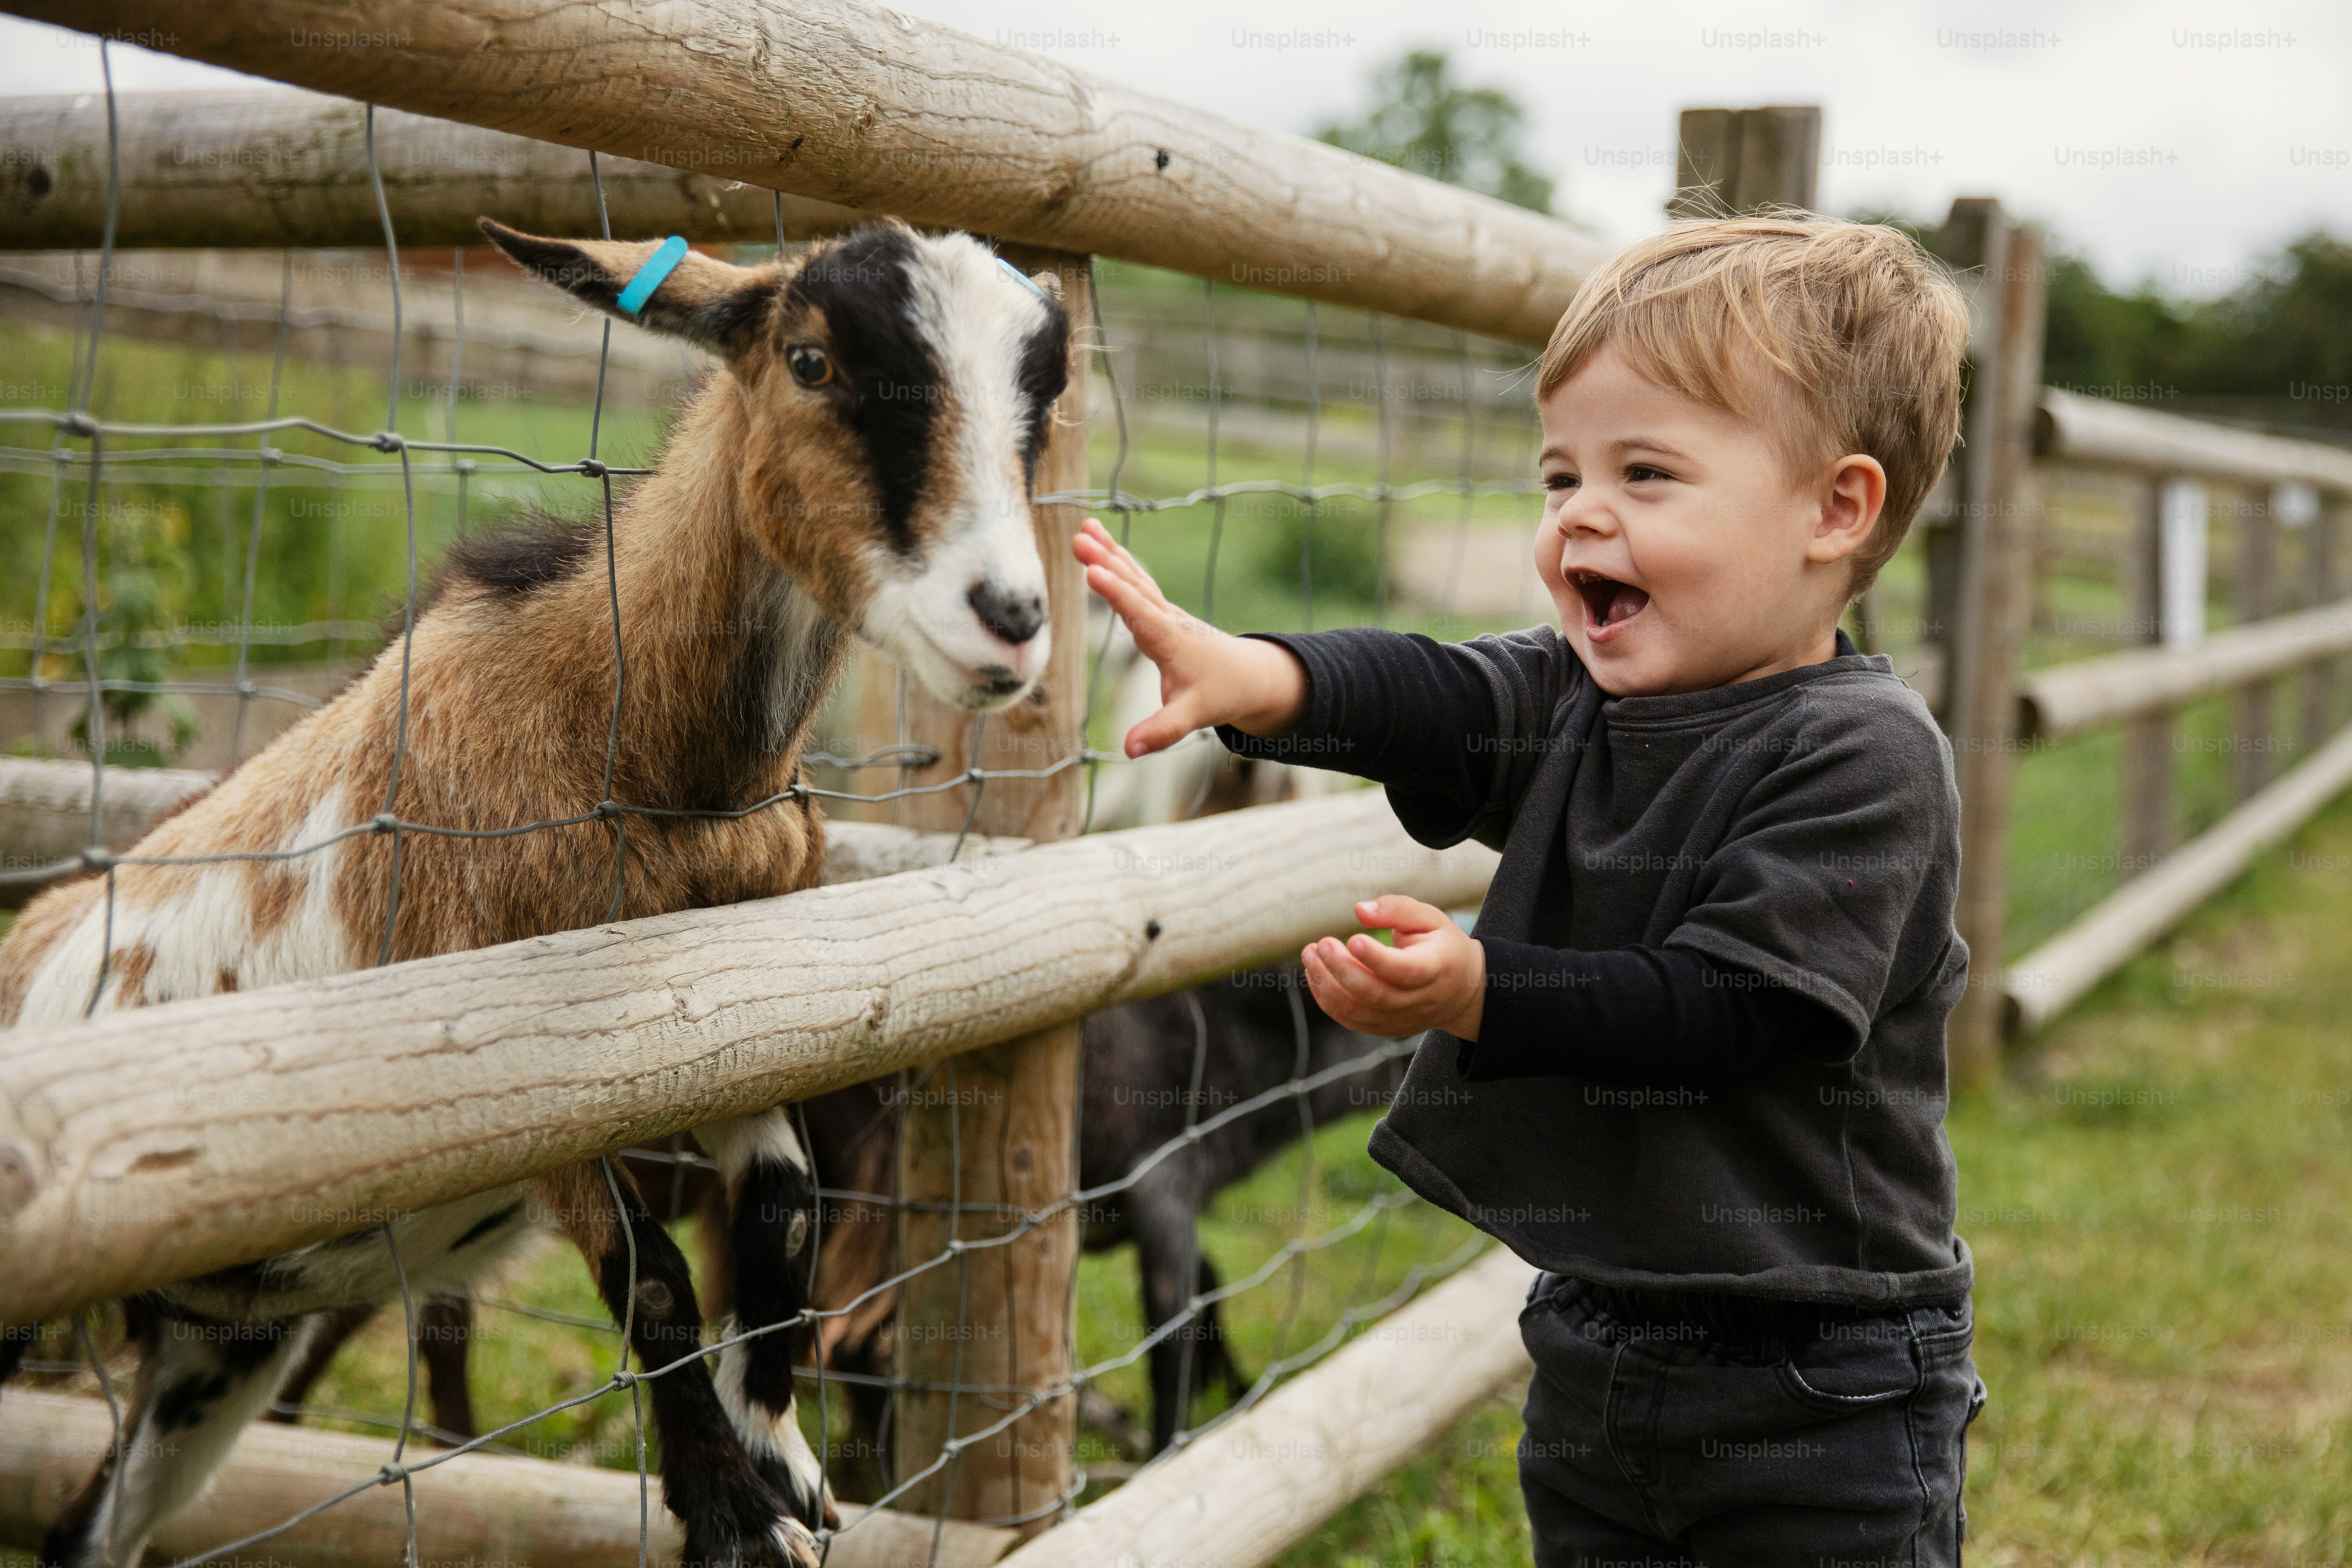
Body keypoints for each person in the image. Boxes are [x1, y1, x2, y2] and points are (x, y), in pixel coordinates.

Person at [1074, 212, 1985, 1566]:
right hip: (1597, 1331)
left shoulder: (1862, 756)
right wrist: (1260, 679)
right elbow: (1441, 699)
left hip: (1822, 1368)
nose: (1579, 517)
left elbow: (1728, 1008)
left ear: (1834, 510)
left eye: (1649, 472)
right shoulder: (1585, 698)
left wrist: (1477, 991)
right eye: (1561, 475)